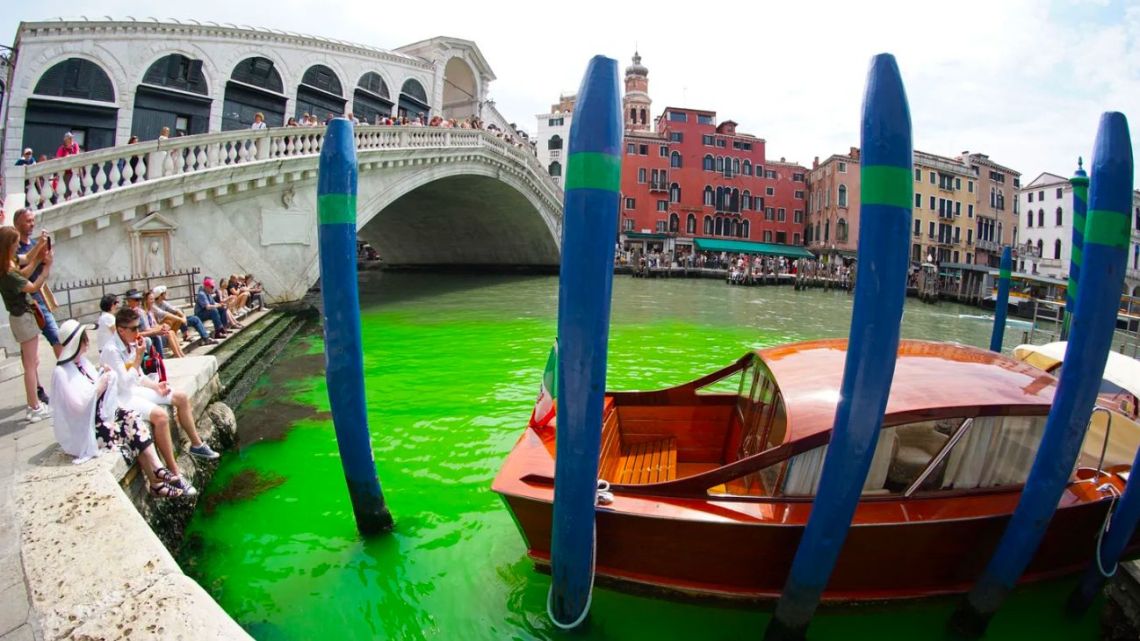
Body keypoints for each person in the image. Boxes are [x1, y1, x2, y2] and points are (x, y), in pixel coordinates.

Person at [50, 320, 191, 497]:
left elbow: (97, 387)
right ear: (76, 343)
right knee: (128, 429)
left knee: (132, 417)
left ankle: (157, 472)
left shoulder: (83, 363)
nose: (87, 344)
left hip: (100, 416)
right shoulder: (61, 373)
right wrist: (100, 385)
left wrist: (103, 376)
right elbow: (78, 407)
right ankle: (157, 479)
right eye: (84, 340)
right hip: (87, 429)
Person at [102, 306, 220, 466]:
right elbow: (125, 382)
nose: (138, 332)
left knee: (181, 397)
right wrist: (138, 357)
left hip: (133, 390)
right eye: (134, 328)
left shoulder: (129, 342)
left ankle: (197, 445)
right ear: (121, 330)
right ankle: (174, 470)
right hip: (121, 397)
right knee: (161, 417)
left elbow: (139, 377)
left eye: (138, 327)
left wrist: (155, 386)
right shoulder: (111, 350)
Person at [0, 226, 53, 422]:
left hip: (21, 316)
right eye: (15, 243)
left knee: (33, 362)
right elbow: (32, 286)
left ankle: (34, 404)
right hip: (23, 317)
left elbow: (28, 260)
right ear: (8, 245)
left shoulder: (9, 262)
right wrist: (46, 269)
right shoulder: (7, 272)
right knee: (30, 365)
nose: (18, 246)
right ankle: (34, 407)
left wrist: (39, 248)